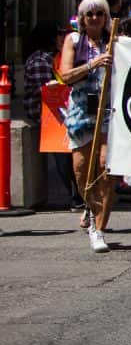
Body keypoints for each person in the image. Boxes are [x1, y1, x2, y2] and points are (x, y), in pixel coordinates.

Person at [59, 0, 117, 253]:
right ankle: (89, 206)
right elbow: (65, 75)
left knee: (105, 168)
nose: (95, 18)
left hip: (107, 112)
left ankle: (99, 228)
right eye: (89, 14)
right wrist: (93, 64)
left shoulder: (113, 41)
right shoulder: (73, 41)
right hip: (81, 112)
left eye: (99, 13)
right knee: (82, 170)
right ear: (81, 18)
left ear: (106, 17)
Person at [26, 21, 81, 210]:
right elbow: (49, 91)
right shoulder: (40, 60)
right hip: (48, 112)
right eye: (58, 35)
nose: (62, 38)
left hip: (61, 109)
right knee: (64, 155)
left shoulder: (56, 57)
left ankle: (79, 193)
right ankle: (76, 194)